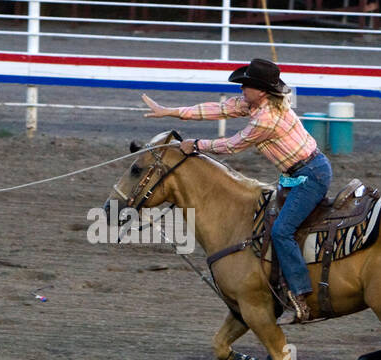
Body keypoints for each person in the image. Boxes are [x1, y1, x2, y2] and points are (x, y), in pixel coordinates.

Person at [141, 58, 331, 325]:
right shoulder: (257, 104)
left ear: (261, 91)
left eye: (246, 85)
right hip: (299, 173)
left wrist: (196, 144)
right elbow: (218, 109)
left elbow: (233, 145)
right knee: (268, 221)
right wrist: (170, 111)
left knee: (281, 230)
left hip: (309, 176)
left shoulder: (266, 119)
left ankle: (300, 296)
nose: (241, 89)